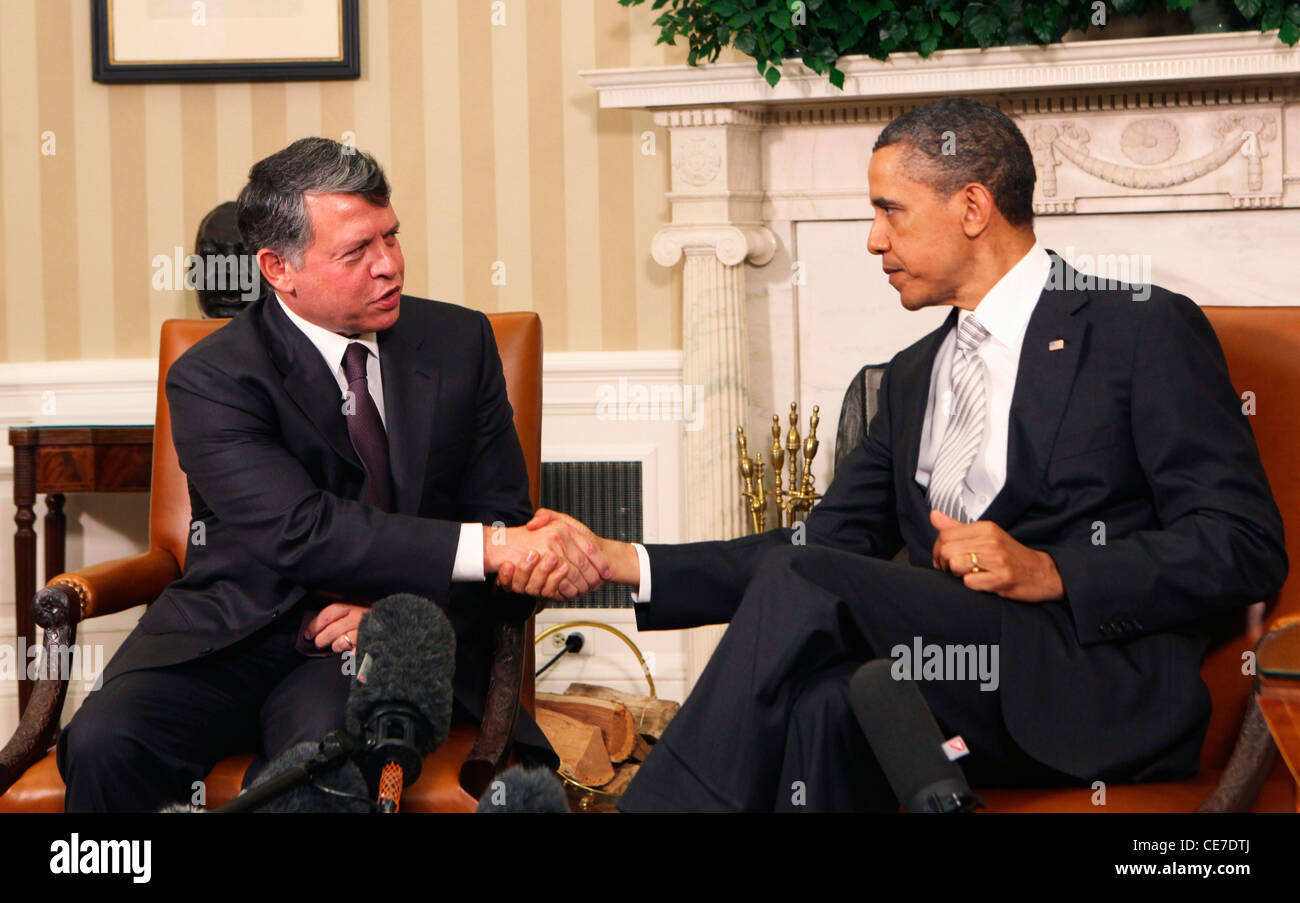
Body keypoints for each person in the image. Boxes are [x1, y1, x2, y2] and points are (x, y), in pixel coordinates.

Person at [511, 97, 1288, 812]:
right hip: (945, 682)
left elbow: (1245, 546)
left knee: (811, 602)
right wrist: (621, 559)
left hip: (1090, 684)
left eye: (891, 210)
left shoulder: (1139, 331)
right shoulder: (913, 378)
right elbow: (815, 550)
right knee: (822, 703)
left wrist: (1053, 568)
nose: (874, 238)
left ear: (974, 206)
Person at [57, 137, 608, 812]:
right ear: (277, 268)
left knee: (321, 760)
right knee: (101, 741)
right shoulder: (214, 376)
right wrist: (490, 546)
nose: (389, 266)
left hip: (360, 647)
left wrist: (406, 620)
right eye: (357, 251)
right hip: (232, 631)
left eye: (392, 238)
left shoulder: (461, 345)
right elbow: (301, 528)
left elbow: (504, 514)